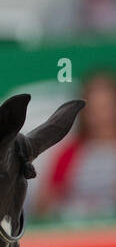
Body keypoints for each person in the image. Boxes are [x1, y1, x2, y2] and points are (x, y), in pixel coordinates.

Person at [34, 71, 116, 221]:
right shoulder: (69, 154)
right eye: (94, 110)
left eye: (106, 107)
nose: (101, 117)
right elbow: (43, 205)